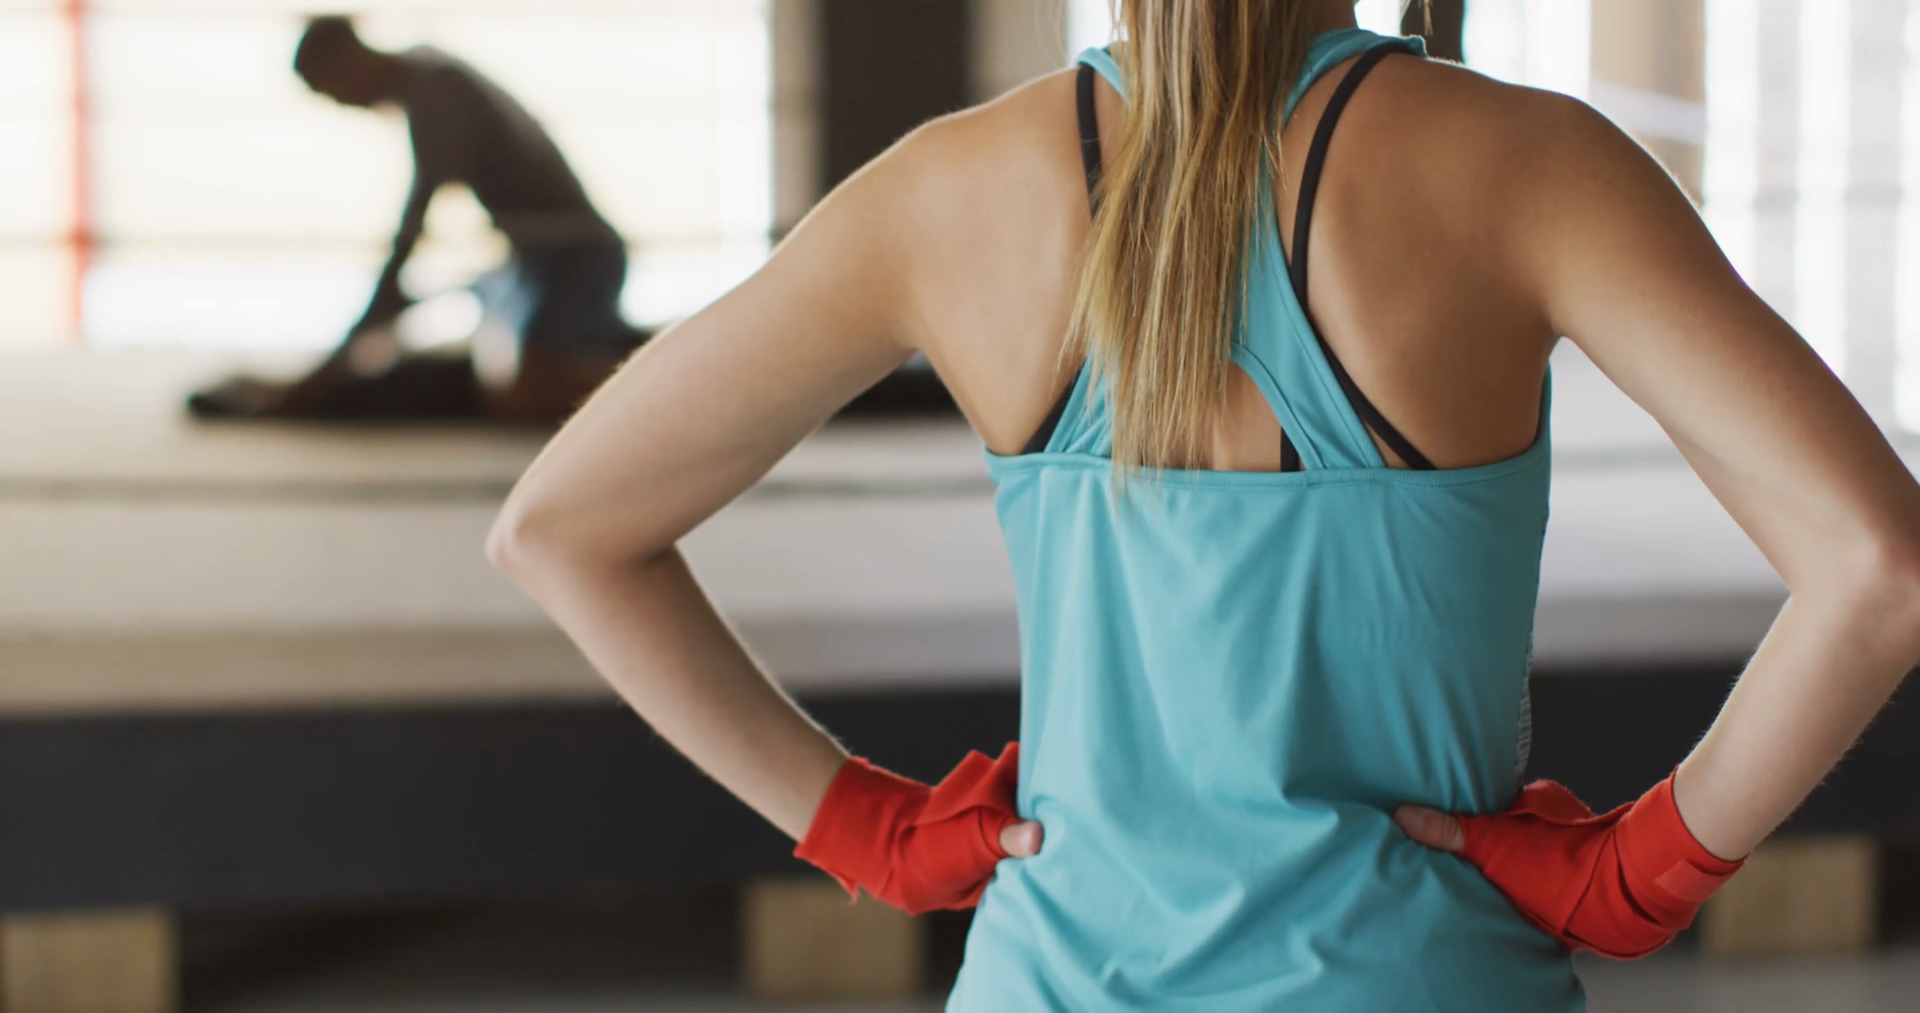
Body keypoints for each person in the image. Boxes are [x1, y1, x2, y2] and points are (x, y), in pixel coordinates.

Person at [488, 0, 1920, 1008]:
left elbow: (559, 530)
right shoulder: (1529, 166)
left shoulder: (945, 193)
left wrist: (864, 826)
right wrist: (1640, 874)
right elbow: (1880, 569)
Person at [190, 14, 647, 424]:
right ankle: (621, 352)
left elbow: (414, 225)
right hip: (530, 262)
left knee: (521, 394)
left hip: (575, 258)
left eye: (330, 93)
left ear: (349, 61)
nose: (341, 105)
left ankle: (659, 375)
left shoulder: (436, 89)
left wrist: (341, 355)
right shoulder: (429, 77)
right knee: (487, 361)